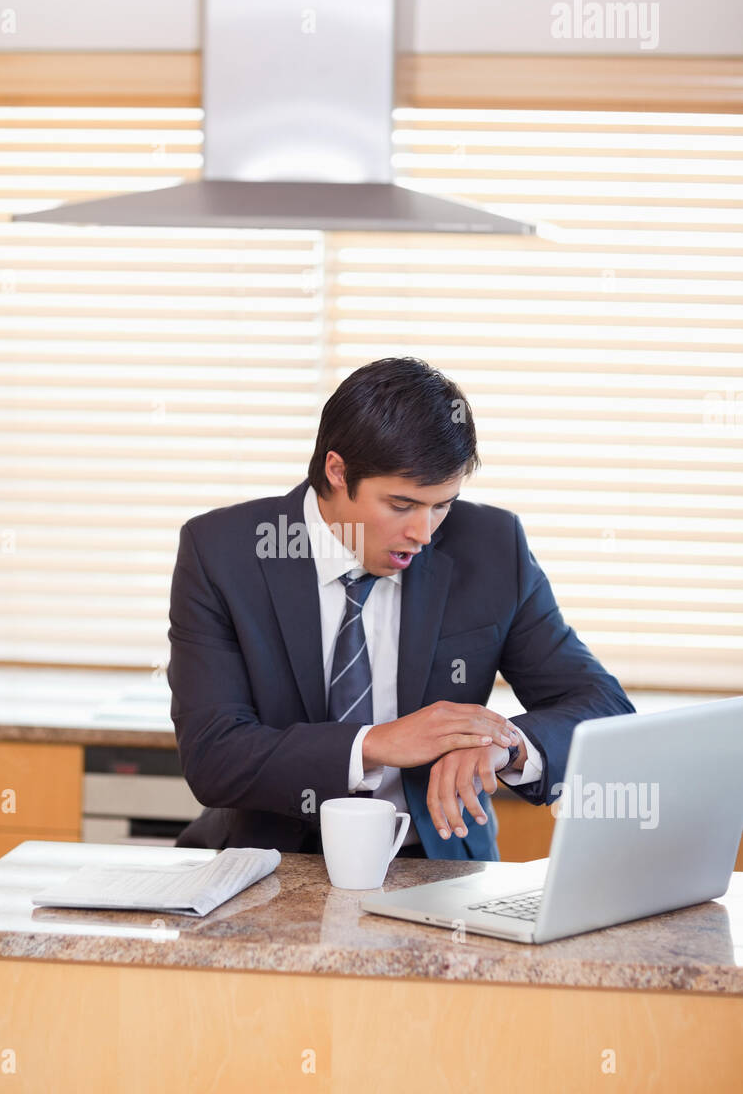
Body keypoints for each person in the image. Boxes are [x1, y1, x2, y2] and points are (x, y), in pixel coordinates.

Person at [167, 356, 634, 857]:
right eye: (401, 505)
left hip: (436, 860)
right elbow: (214, 756)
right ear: (337, 471)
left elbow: (604, 709)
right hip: (273, 861)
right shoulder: (223, 552)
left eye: (442, 505)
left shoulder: (493, 547)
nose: (423, 533)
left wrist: (507, 744)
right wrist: (375, 743)